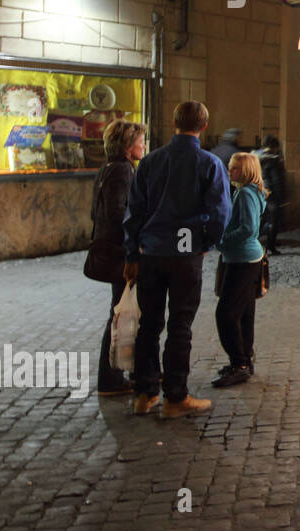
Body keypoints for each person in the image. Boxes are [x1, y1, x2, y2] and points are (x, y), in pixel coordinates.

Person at [123, 101, 231, 418]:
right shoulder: (208, 163)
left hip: (153, 251)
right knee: (180, 326)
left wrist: (132, 252)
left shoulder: (151, 162)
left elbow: (134, 212)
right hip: (185, 252)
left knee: (149, 325)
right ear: (203, 126)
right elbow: (220, 213)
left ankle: (144, 394)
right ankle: (175, 396)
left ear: (174, 123)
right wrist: (207, 242)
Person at [85, 119, 148, 396]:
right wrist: (133, 249)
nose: (143, 145)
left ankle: (120, 373)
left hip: (112, 250)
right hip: (120, 254)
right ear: (127, 145)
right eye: (140, 141)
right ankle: (111, 378)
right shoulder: (123, 171)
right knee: (121, 314)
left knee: (121, 312)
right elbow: (118, 215)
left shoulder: (107, 169)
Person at [212, 153, 268, 387]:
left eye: (234, 169)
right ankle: (244, 359)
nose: (229, 172)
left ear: (245, 171)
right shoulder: (250, 192)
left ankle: (239, 363)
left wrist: (222, 241)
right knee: (244, 312)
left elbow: (248, 228)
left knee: (225, 314)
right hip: (246, 257)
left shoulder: (245, 193)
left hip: (242, 259)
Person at [253, 136, 287, 254]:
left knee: (261, 219)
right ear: (275, 147)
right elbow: (277, 180)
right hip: (271, 193)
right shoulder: (273, 160)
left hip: (258, 191)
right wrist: (281, 196)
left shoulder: (255, 158)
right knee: (273, 220)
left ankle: (252, 242)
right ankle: (270, 246)